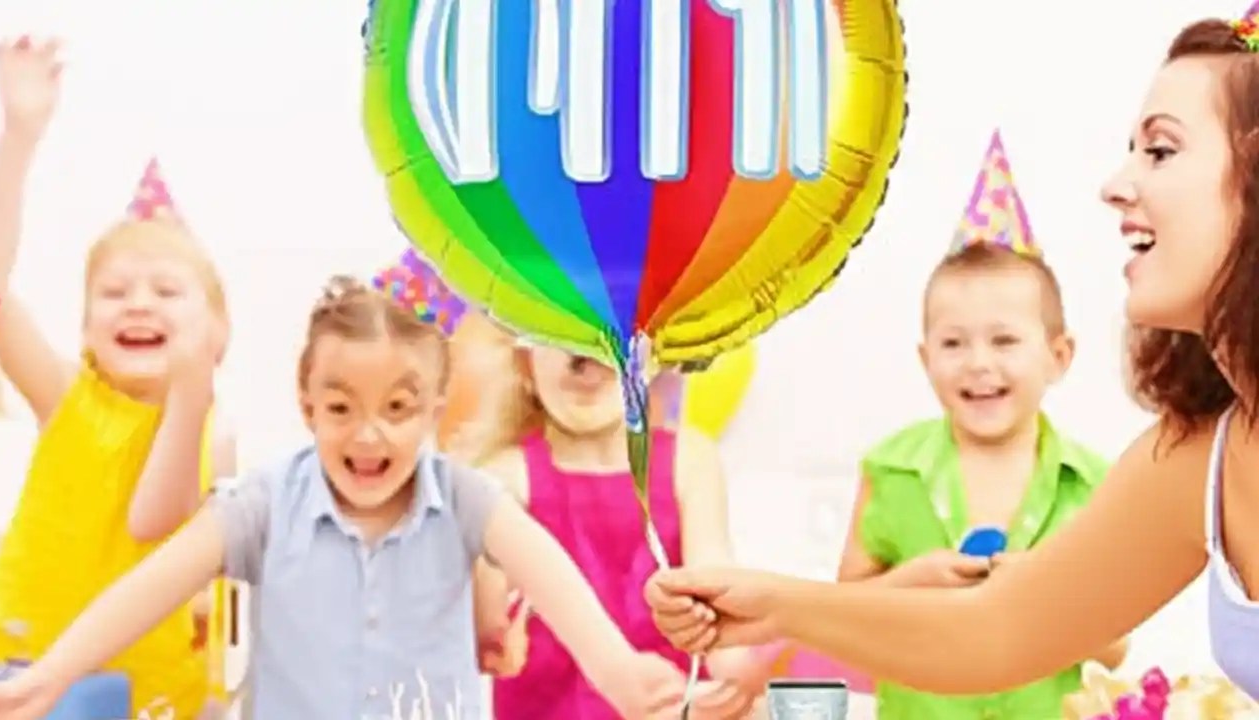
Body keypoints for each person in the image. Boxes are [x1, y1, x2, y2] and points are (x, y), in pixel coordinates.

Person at [643, 14, 1259, 702]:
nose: (1116, 185)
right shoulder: (1192, 462)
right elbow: (997, 632)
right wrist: (777, 604)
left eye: (1162, 151)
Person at [0, 276, 692, 720]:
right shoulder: (266, 503)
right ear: (307, 404)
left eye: (399, 407)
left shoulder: (467, 499)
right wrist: (50, 678)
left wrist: (621, 672)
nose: (370, 433)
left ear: (434, 409)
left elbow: (552, 577)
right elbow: (149, 588)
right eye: (342, 407)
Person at [0, 37, 233, 717]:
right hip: (20, 661)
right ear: (87, 328)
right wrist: (18, 137)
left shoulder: (216, 429)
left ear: (218, 332)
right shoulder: (65, 394)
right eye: (115, 292)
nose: (140, 303)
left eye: (166, 291)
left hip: (152, 686)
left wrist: (190, 390)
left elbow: (157, 520)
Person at [839, 241, 1125, 719]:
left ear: (1058, 356)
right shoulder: (889, 471)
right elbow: (842, 619)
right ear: (925, 358)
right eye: (953, 343)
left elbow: (1115, 649)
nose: (978, 363)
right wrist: (913, 583)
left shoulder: (1095, 486)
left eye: (1004, 341)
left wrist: (1044, 595)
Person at [457, 339, 770, 719]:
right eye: (562, 339)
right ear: (526, 363)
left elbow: (713, 579)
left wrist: (733, 666)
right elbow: (485, 614)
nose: (585, 357)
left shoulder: (689, 460)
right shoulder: (505, 477)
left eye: (605, 341)